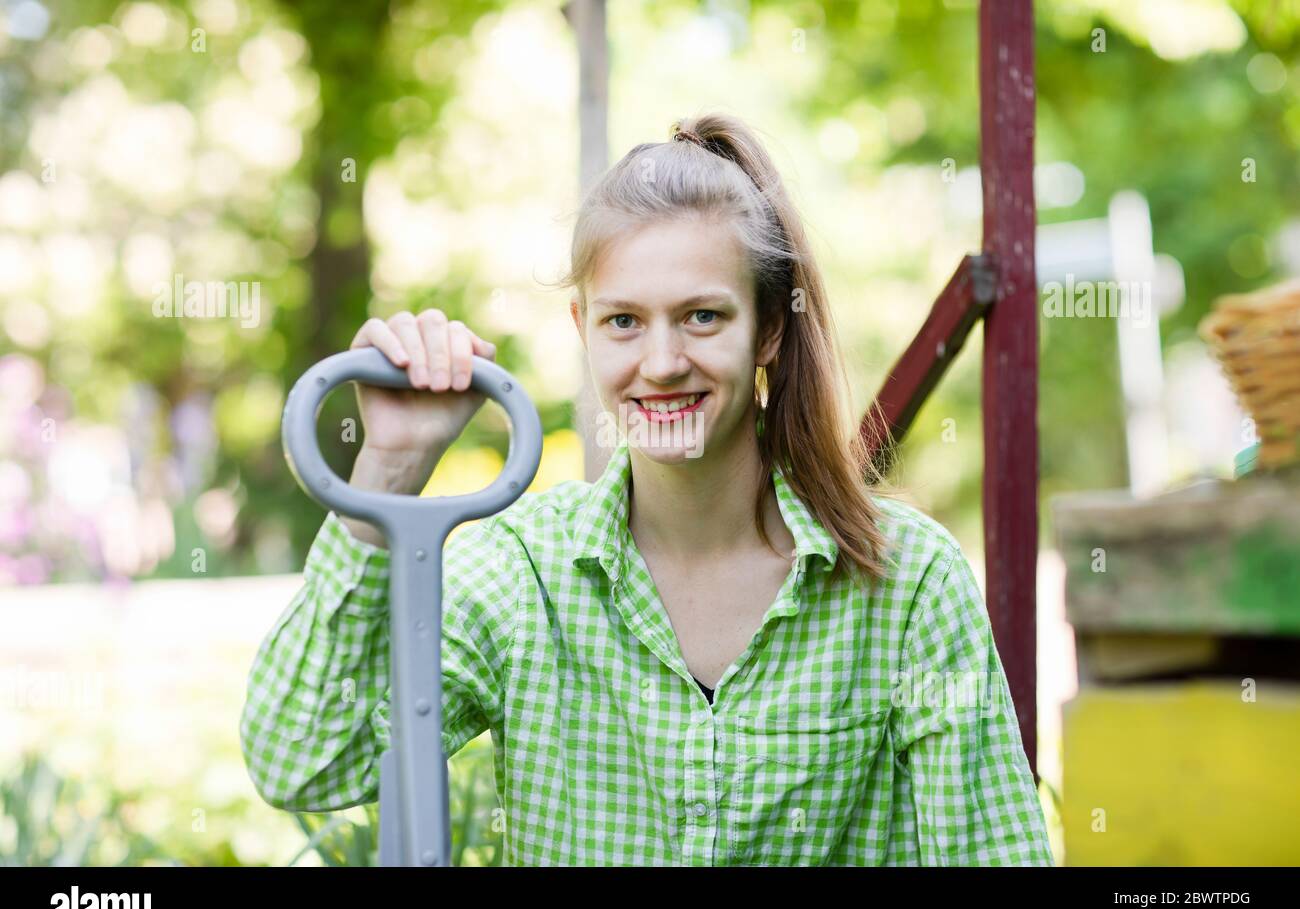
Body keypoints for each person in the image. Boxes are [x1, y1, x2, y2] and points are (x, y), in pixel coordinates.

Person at [240, 113, 1055, 866]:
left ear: (769, 328)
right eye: (623, 322)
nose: (661, 363)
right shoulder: (521, 574)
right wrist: (388, 467)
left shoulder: (906, 581)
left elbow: (989, 853)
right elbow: (303, 760)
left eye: (703, 317)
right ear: (582, 330)